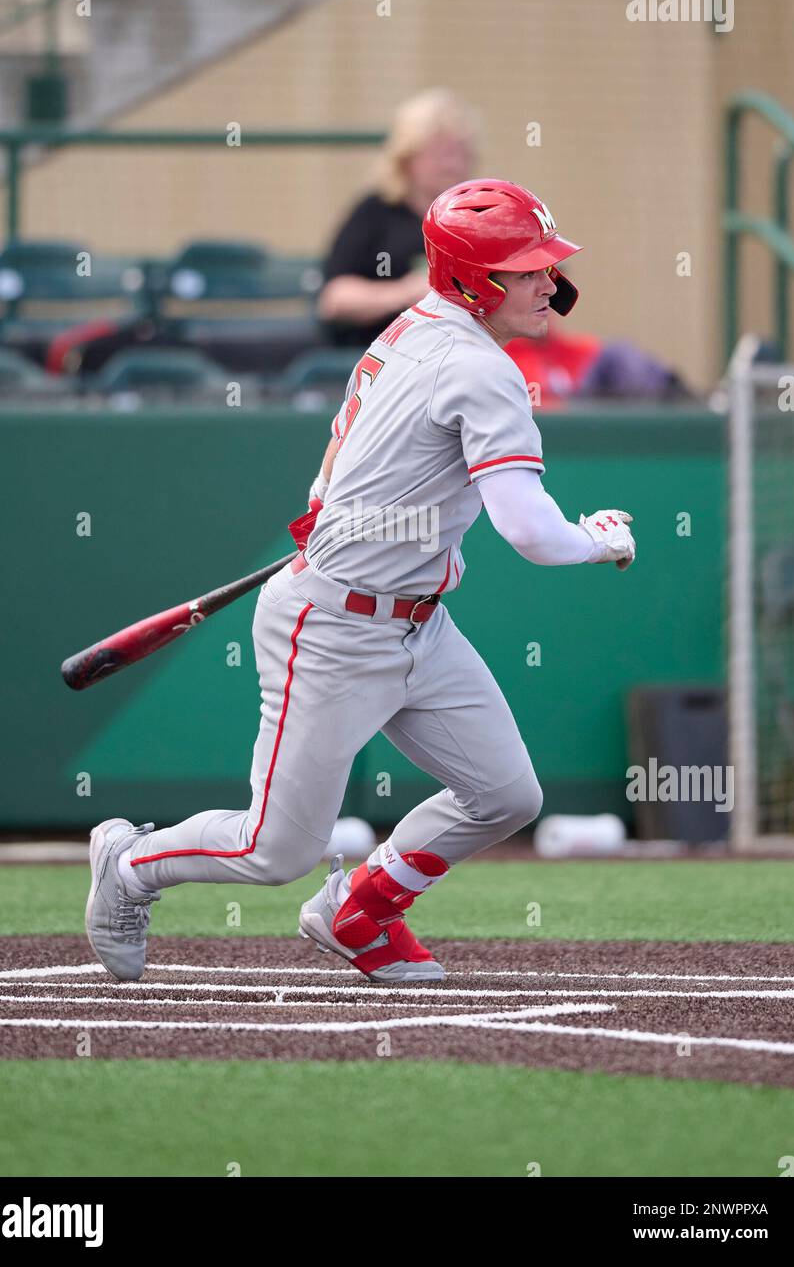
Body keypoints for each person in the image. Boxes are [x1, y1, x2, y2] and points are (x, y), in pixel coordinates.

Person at [85, 178, 636, 987]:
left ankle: (359, 911)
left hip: (415, 620)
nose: (549, 282)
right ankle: (128, 863)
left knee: (505, 795)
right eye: (526, 269)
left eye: (546, 265)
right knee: (276, 851)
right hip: (335, 625)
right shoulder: (479, 369)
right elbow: (532, 534)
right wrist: (599, 539)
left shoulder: (416, 328)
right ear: (475, 281)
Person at [316, 88, 478, 352]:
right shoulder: (376, 212)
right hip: (376, 353)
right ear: (407, 159)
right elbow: (335, 299)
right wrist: (410, 293)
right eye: (440, 154)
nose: (453, 166)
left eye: (460, 153)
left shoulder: (475, 216)